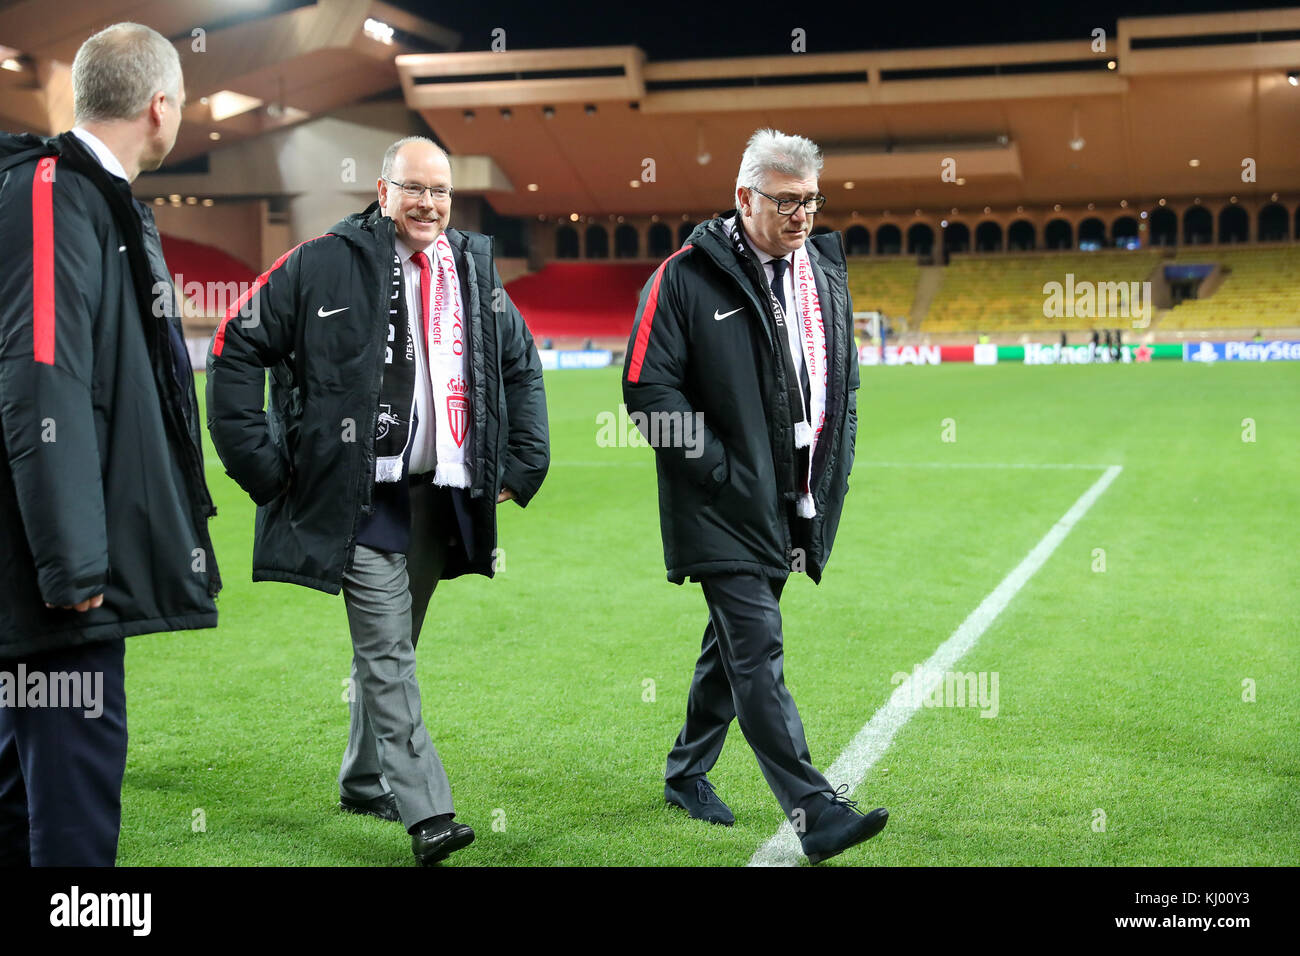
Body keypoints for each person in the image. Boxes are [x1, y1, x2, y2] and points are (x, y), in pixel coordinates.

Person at [206, 136, 549, 866]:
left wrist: (523, 459)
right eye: (414, 188)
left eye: (442, 191)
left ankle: (363, 779)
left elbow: (520, 363)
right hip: (358, 495)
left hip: (439, 495)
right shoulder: (323, 260)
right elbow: (235, 343)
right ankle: (428, 811)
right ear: (383, 190)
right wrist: (265, 470)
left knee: (393, 649)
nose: (428, 204)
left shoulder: (472, 267)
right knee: (389, 653)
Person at [622, 128, 887, 864]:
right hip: (720, 507)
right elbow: (646, 388)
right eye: (787, 201)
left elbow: (843, 384)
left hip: (793, 501)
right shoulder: (683, 278)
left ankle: (685, 772)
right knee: (758, 649)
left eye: (811, 201)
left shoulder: (823, 274)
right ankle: (815, 810)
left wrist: (827, 474)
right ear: (745, 198)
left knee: (729, 650)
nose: (803, 215)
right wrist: (718, 471)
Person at [0, 22, 220, 866]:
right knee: (71, 808)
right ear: (160, 108)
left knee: (25, 791)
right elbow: (42, 379)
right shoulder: (60, 194)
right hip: (52, 587)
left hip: (38, 572)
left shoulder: (80, 195)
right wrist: (74, 566)